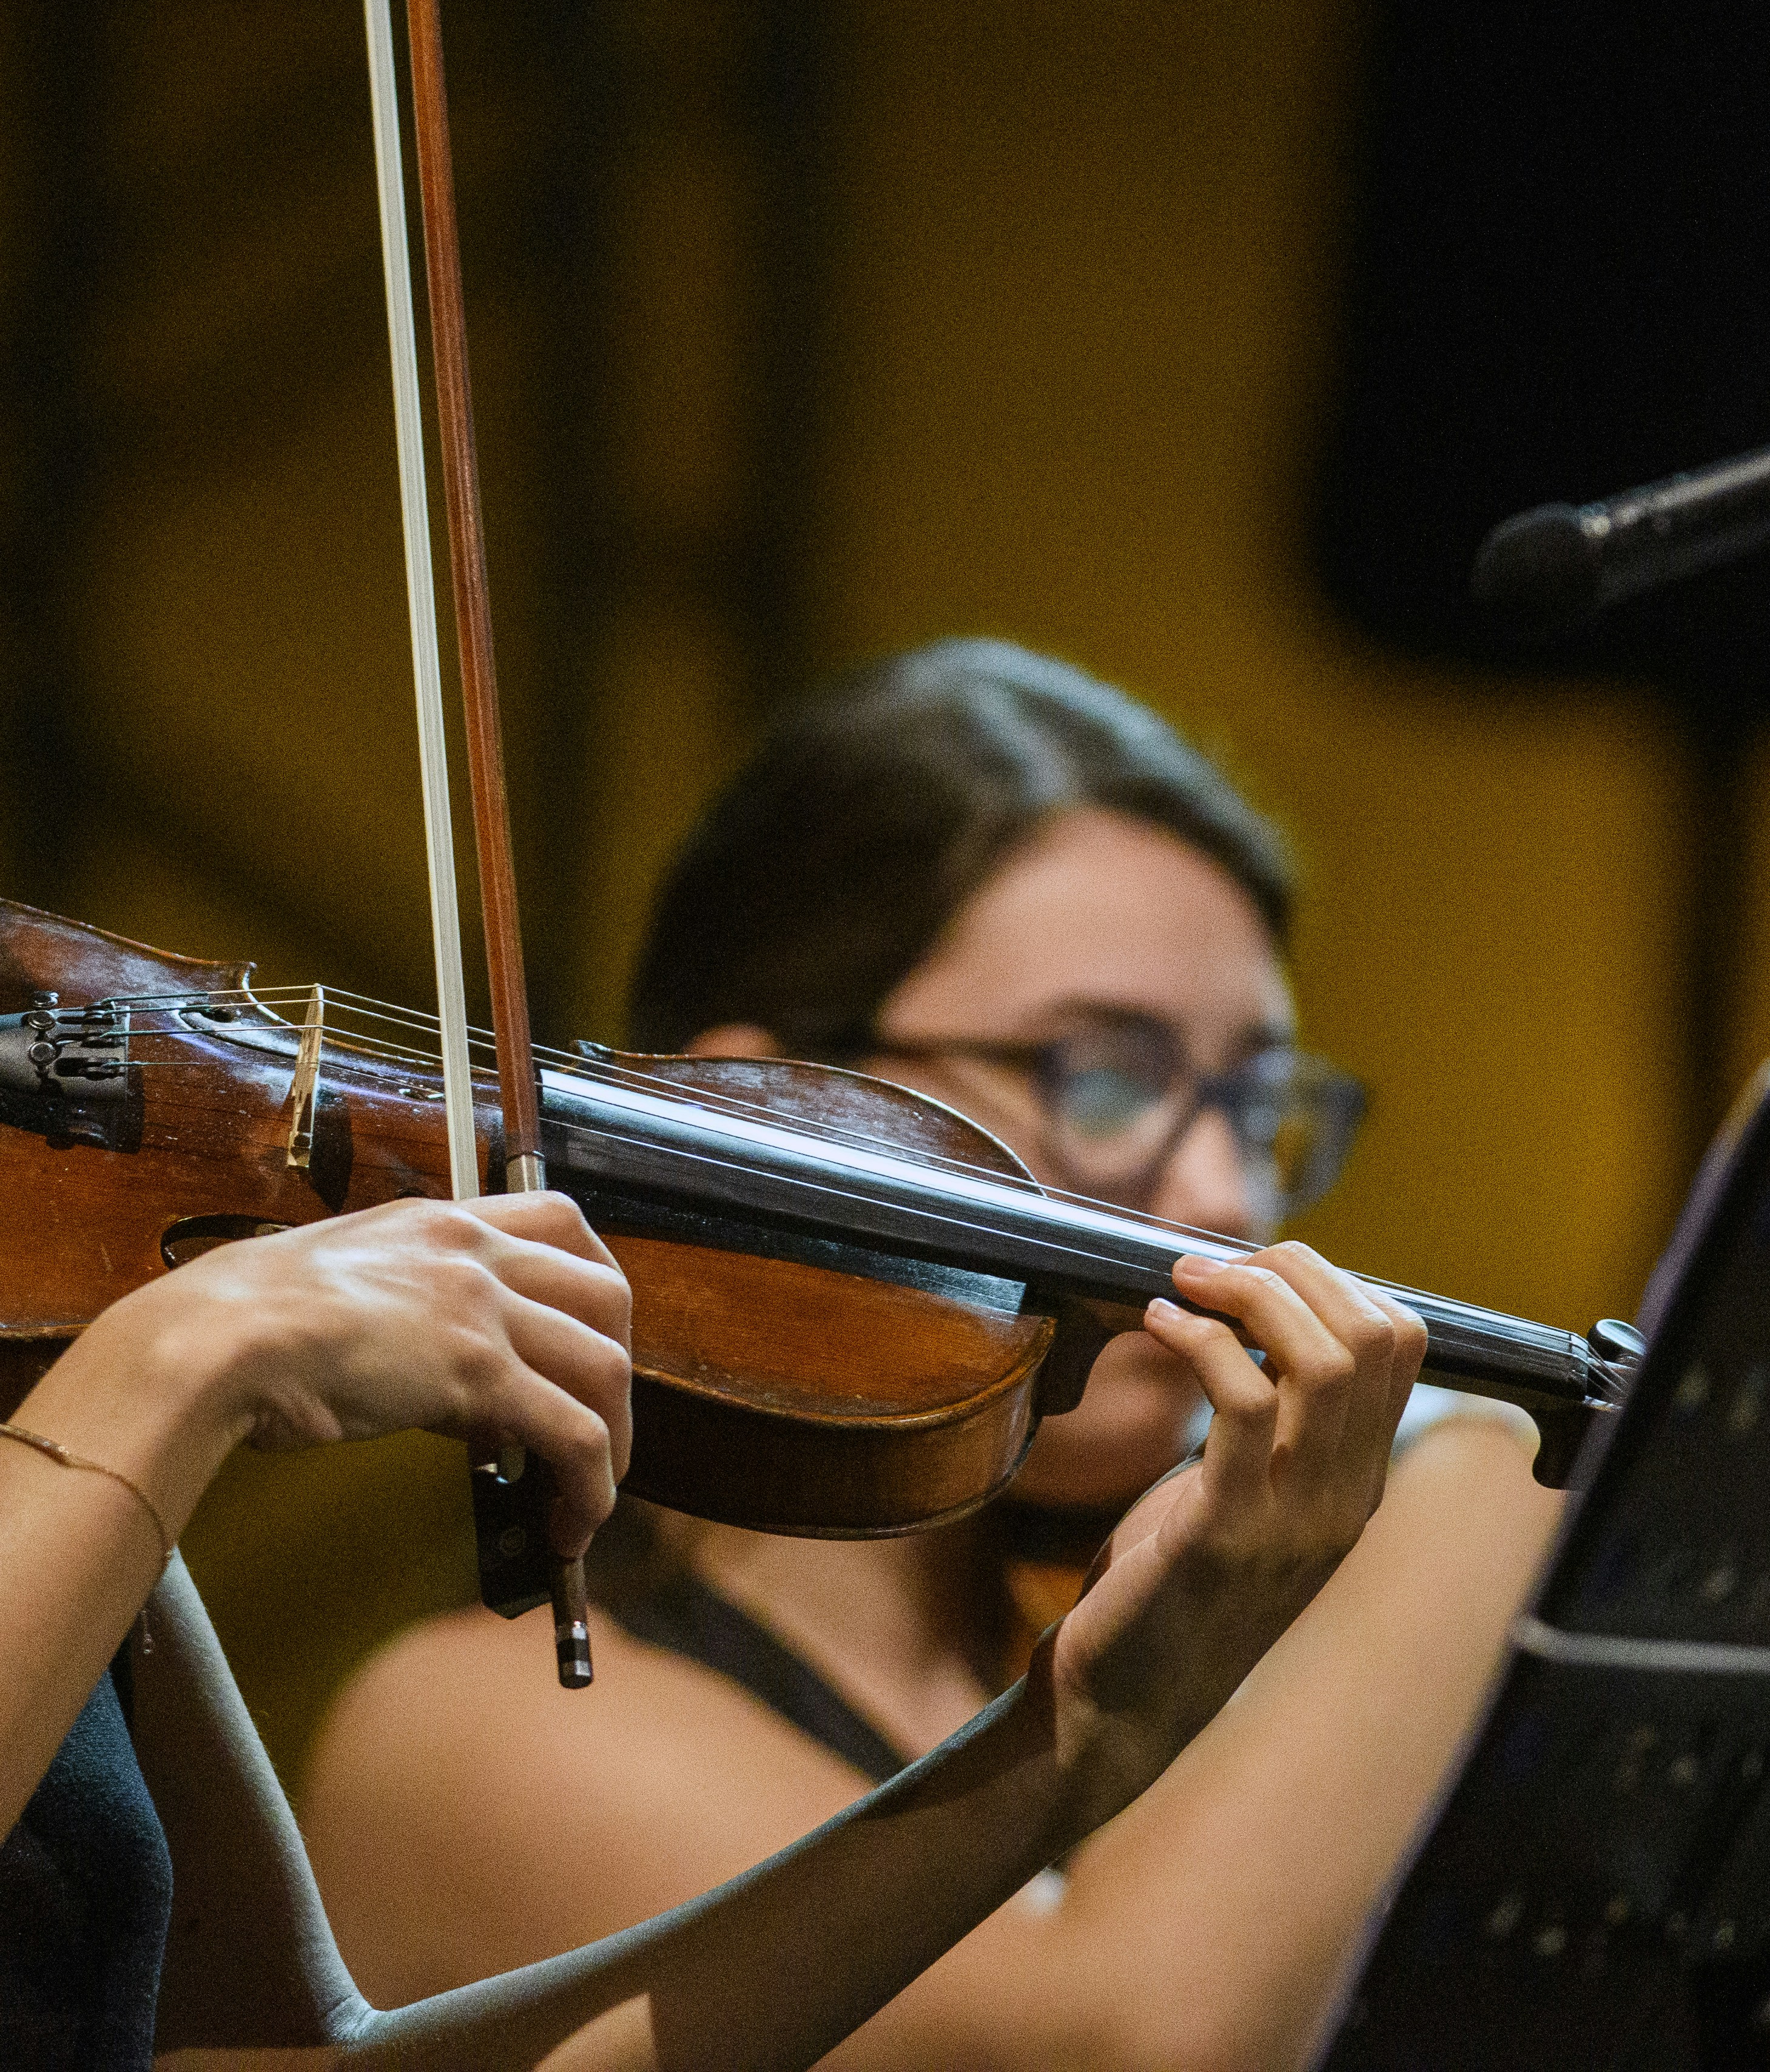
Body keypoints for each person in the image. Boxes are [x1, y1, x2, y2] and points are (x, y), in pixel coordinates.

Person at [301, 641, 1563, 2071]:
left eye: (1255, 1101)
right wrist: (1479, 1477)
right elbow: (1118, 2044)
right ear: (767, 1113)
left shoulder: (1092, 1626)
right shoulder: (474, 1725)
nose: (1223, 1192)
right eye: (1105, 1077)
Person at [1, 1156, 1418, 2065]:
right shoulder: (102, 1407)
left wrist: (1074, 1737)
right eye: (1098, 1073)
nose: (1215, 1187)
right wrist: (179, 1357)